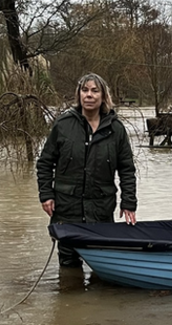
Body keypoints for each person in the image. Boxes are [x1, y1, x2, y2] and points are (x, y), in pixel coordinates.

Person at [36, 73, 137, 268]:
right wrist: (46, 195)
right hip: (67, 210)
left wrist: (129, 202)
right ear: (79, 95)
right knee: (69, 268)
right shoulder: (63, 125)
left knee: (103, 267)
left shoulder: (115, 129)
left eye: (94, 90)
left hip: (101, 209)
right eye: (85, 90)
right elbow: (45, 163)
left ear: (103, 96)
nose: (89, 95)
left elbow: (127, 170)